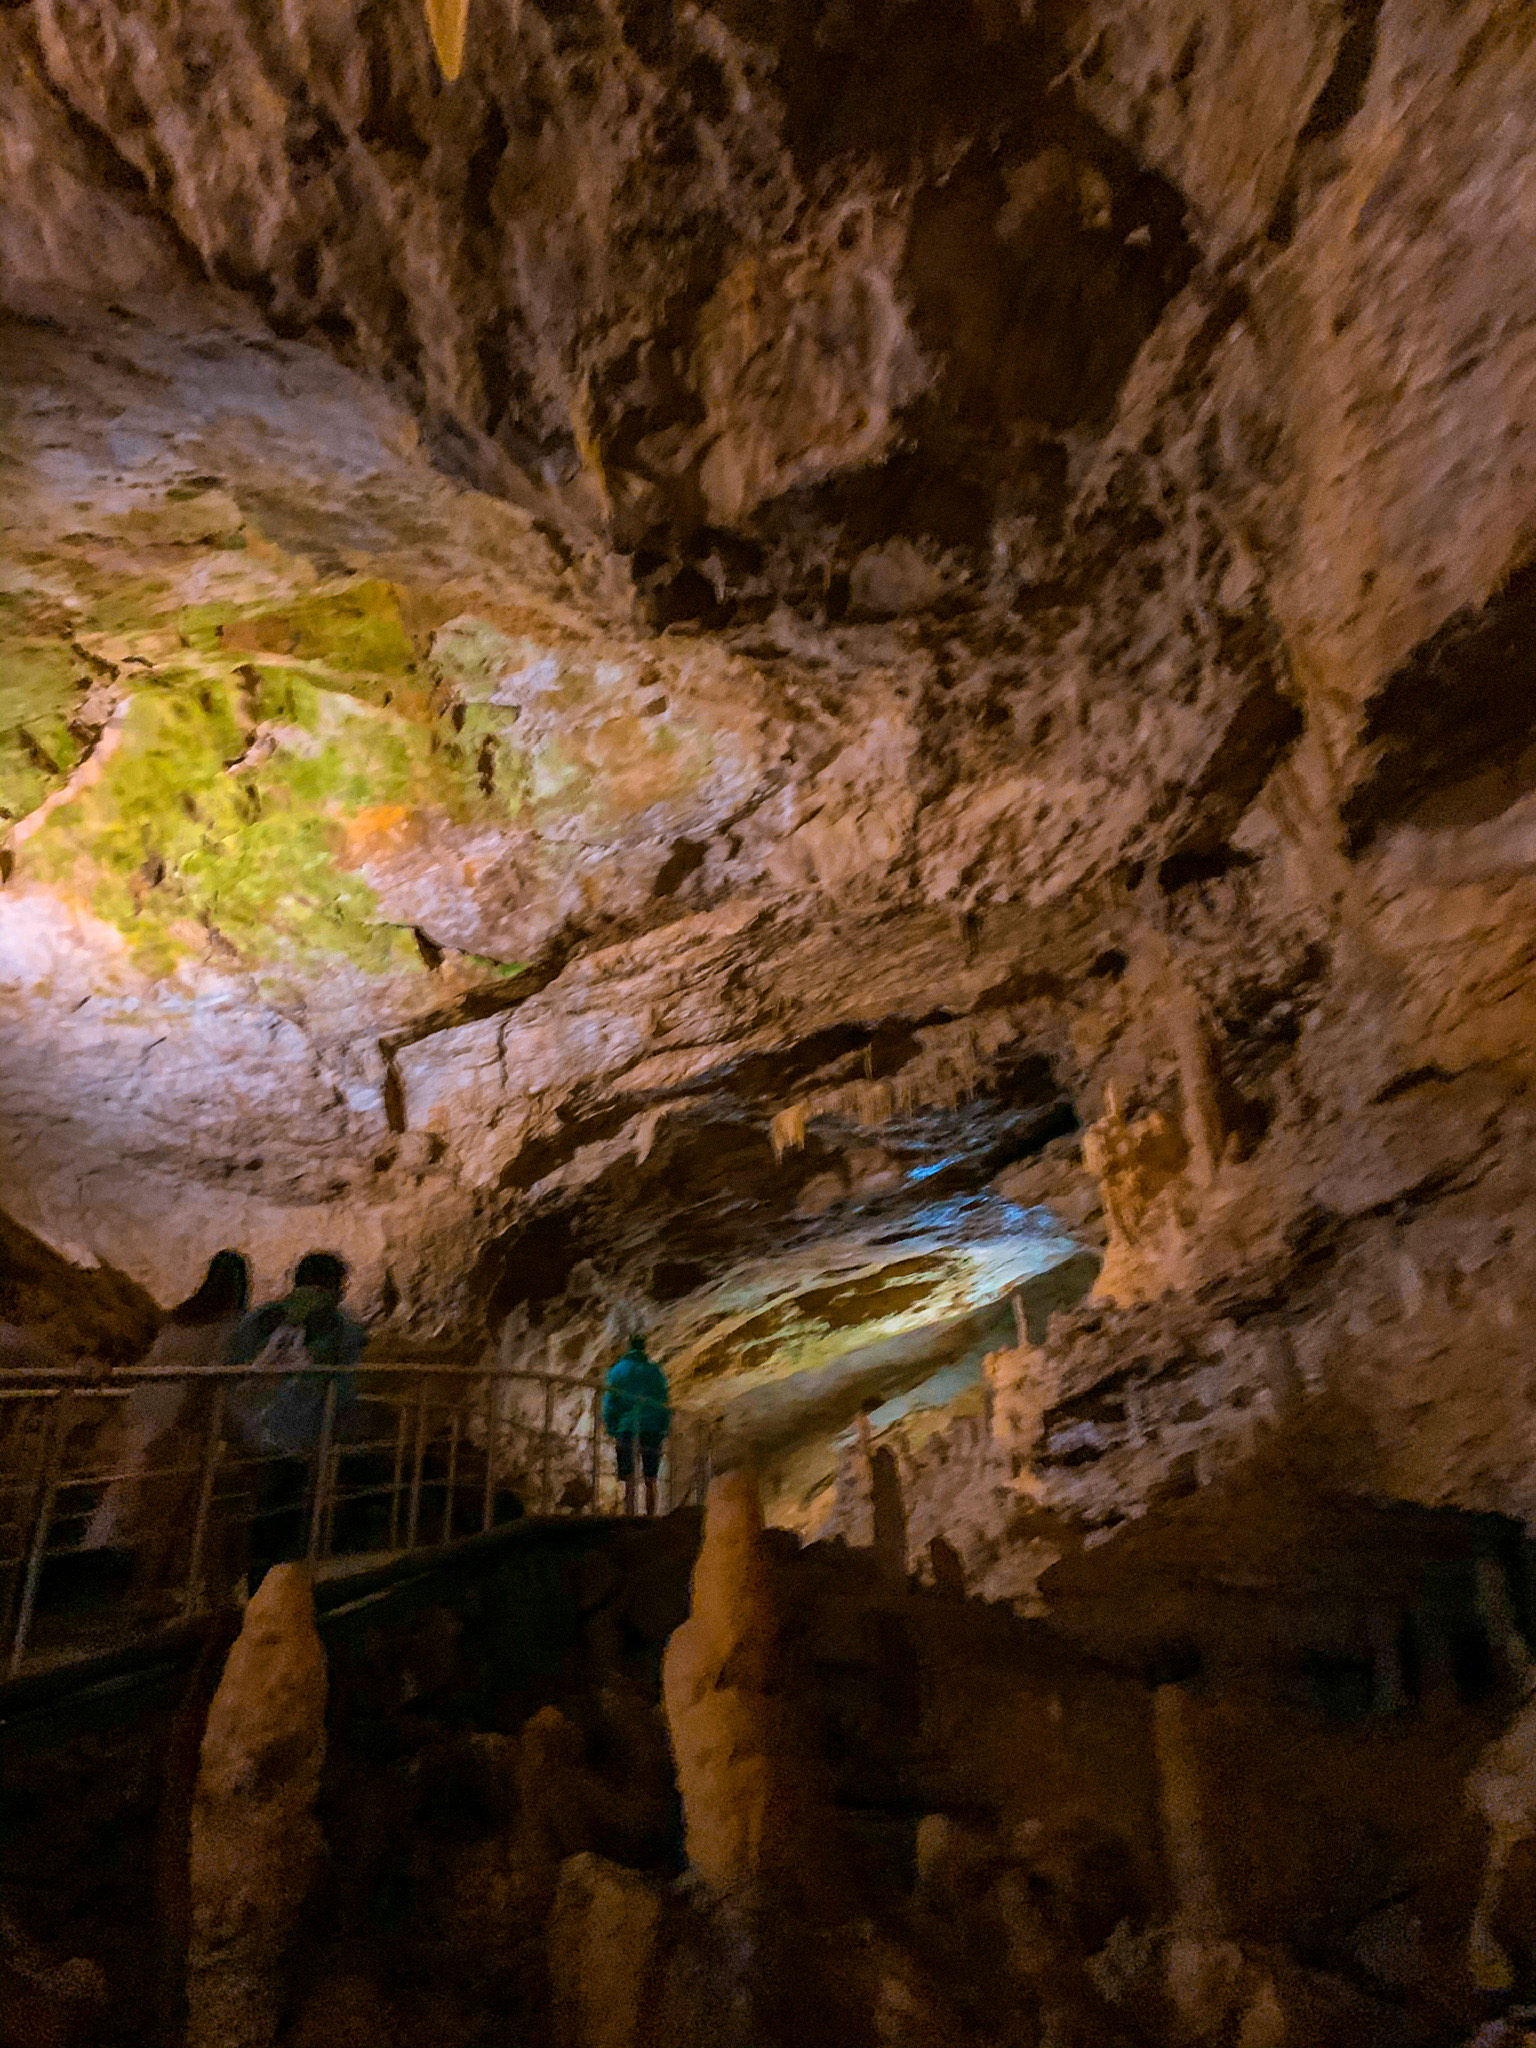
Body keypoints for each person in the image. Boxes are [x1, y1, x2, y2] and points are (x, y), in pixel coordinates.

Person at [83, 1250, 251, 1611]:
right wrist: (196, 1427)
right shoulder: (229, 1324)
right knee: (173, 1511)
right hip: (181, 1423)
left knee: (168, 1507)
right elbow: (209, 1378)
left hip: (143, 1414)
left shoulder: (180, 1317)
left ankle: (200, 1590)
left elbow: (154, 1362)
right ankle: (147, 1592)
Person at [224, 1251, 367, 1593]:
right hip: (299, 1435)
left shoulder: (263, 1317)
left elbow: (234, 1361)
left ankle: (245, 1583)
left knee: (252, 1513)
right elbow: (344, 1386)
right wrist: (341, 1426)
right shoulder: (339, 1324)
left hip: (248, 1430)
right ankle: (274, 1591)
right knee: (288, 1518)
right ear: (334, 1284)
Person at [602, 1331, 671, 1517]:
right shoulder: (655, 1372)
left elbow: (611, 1401)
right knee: (651, 1477)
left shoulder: (618, 1370)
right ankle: (651, 1515)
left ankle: (630, 1514)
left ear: (629, 1347)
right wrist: (664, 1426)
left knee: (629, 1477)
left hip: (627, 1427)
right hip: (652, 1428)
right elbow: (664, 1401)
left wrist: (612, 1427)